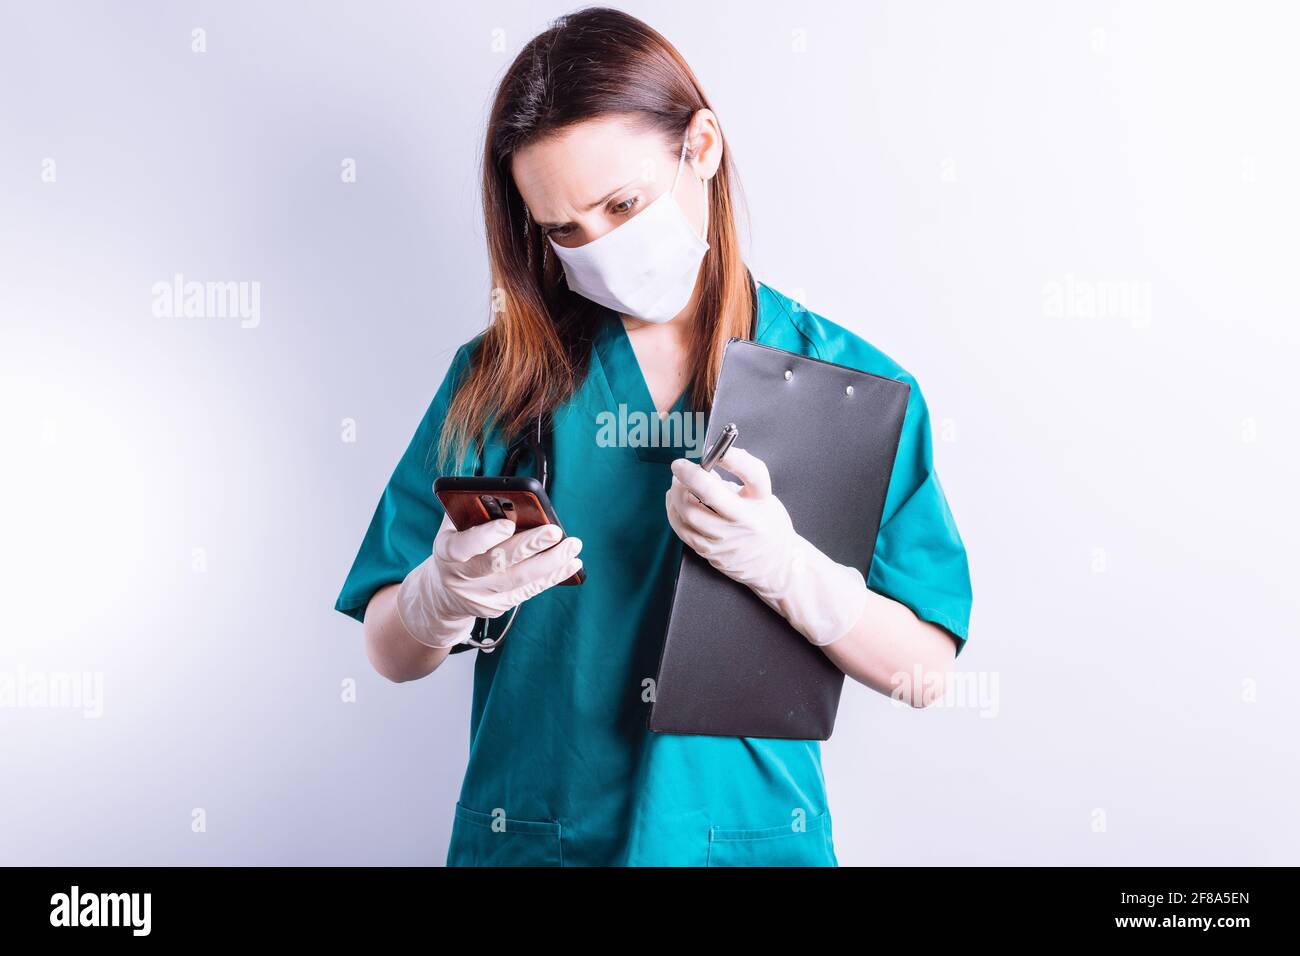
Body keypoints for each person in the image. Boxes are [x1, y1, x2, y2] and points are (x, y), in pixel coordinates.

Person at [335, 6, 972, 867]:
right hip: (537, 836)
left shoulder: (845, 386)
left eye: (623, 203)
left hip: (744, 841)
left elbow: (923, 671)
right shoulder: (502, 377)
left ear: (700, 146)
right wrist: (437, 598)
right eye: (564, 231)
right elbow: (388, 649)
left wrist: (793, 575)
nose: (598, 249)